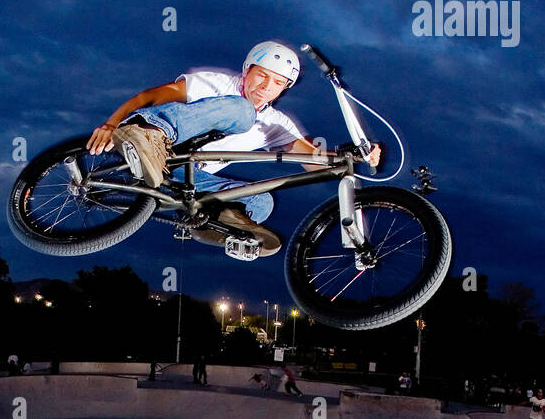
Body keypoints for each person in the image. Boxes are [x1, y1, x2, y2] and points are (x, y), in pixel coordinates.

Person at [87, 41, 382, 259]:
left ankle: (210, 223)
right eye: (262, 76)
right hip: (158, 141)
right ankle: (152, 135)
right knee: (242, 112)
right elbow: (150, 95)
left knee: (261, 201)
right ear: (247, 71)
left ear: (284, 90)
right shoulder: (216, 84)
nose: (266, 87)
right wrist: (112, 124)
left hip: (191, 178)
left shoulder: (276, 124)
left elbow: (312, 161)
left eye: (277, 83)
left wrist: (351, 157)